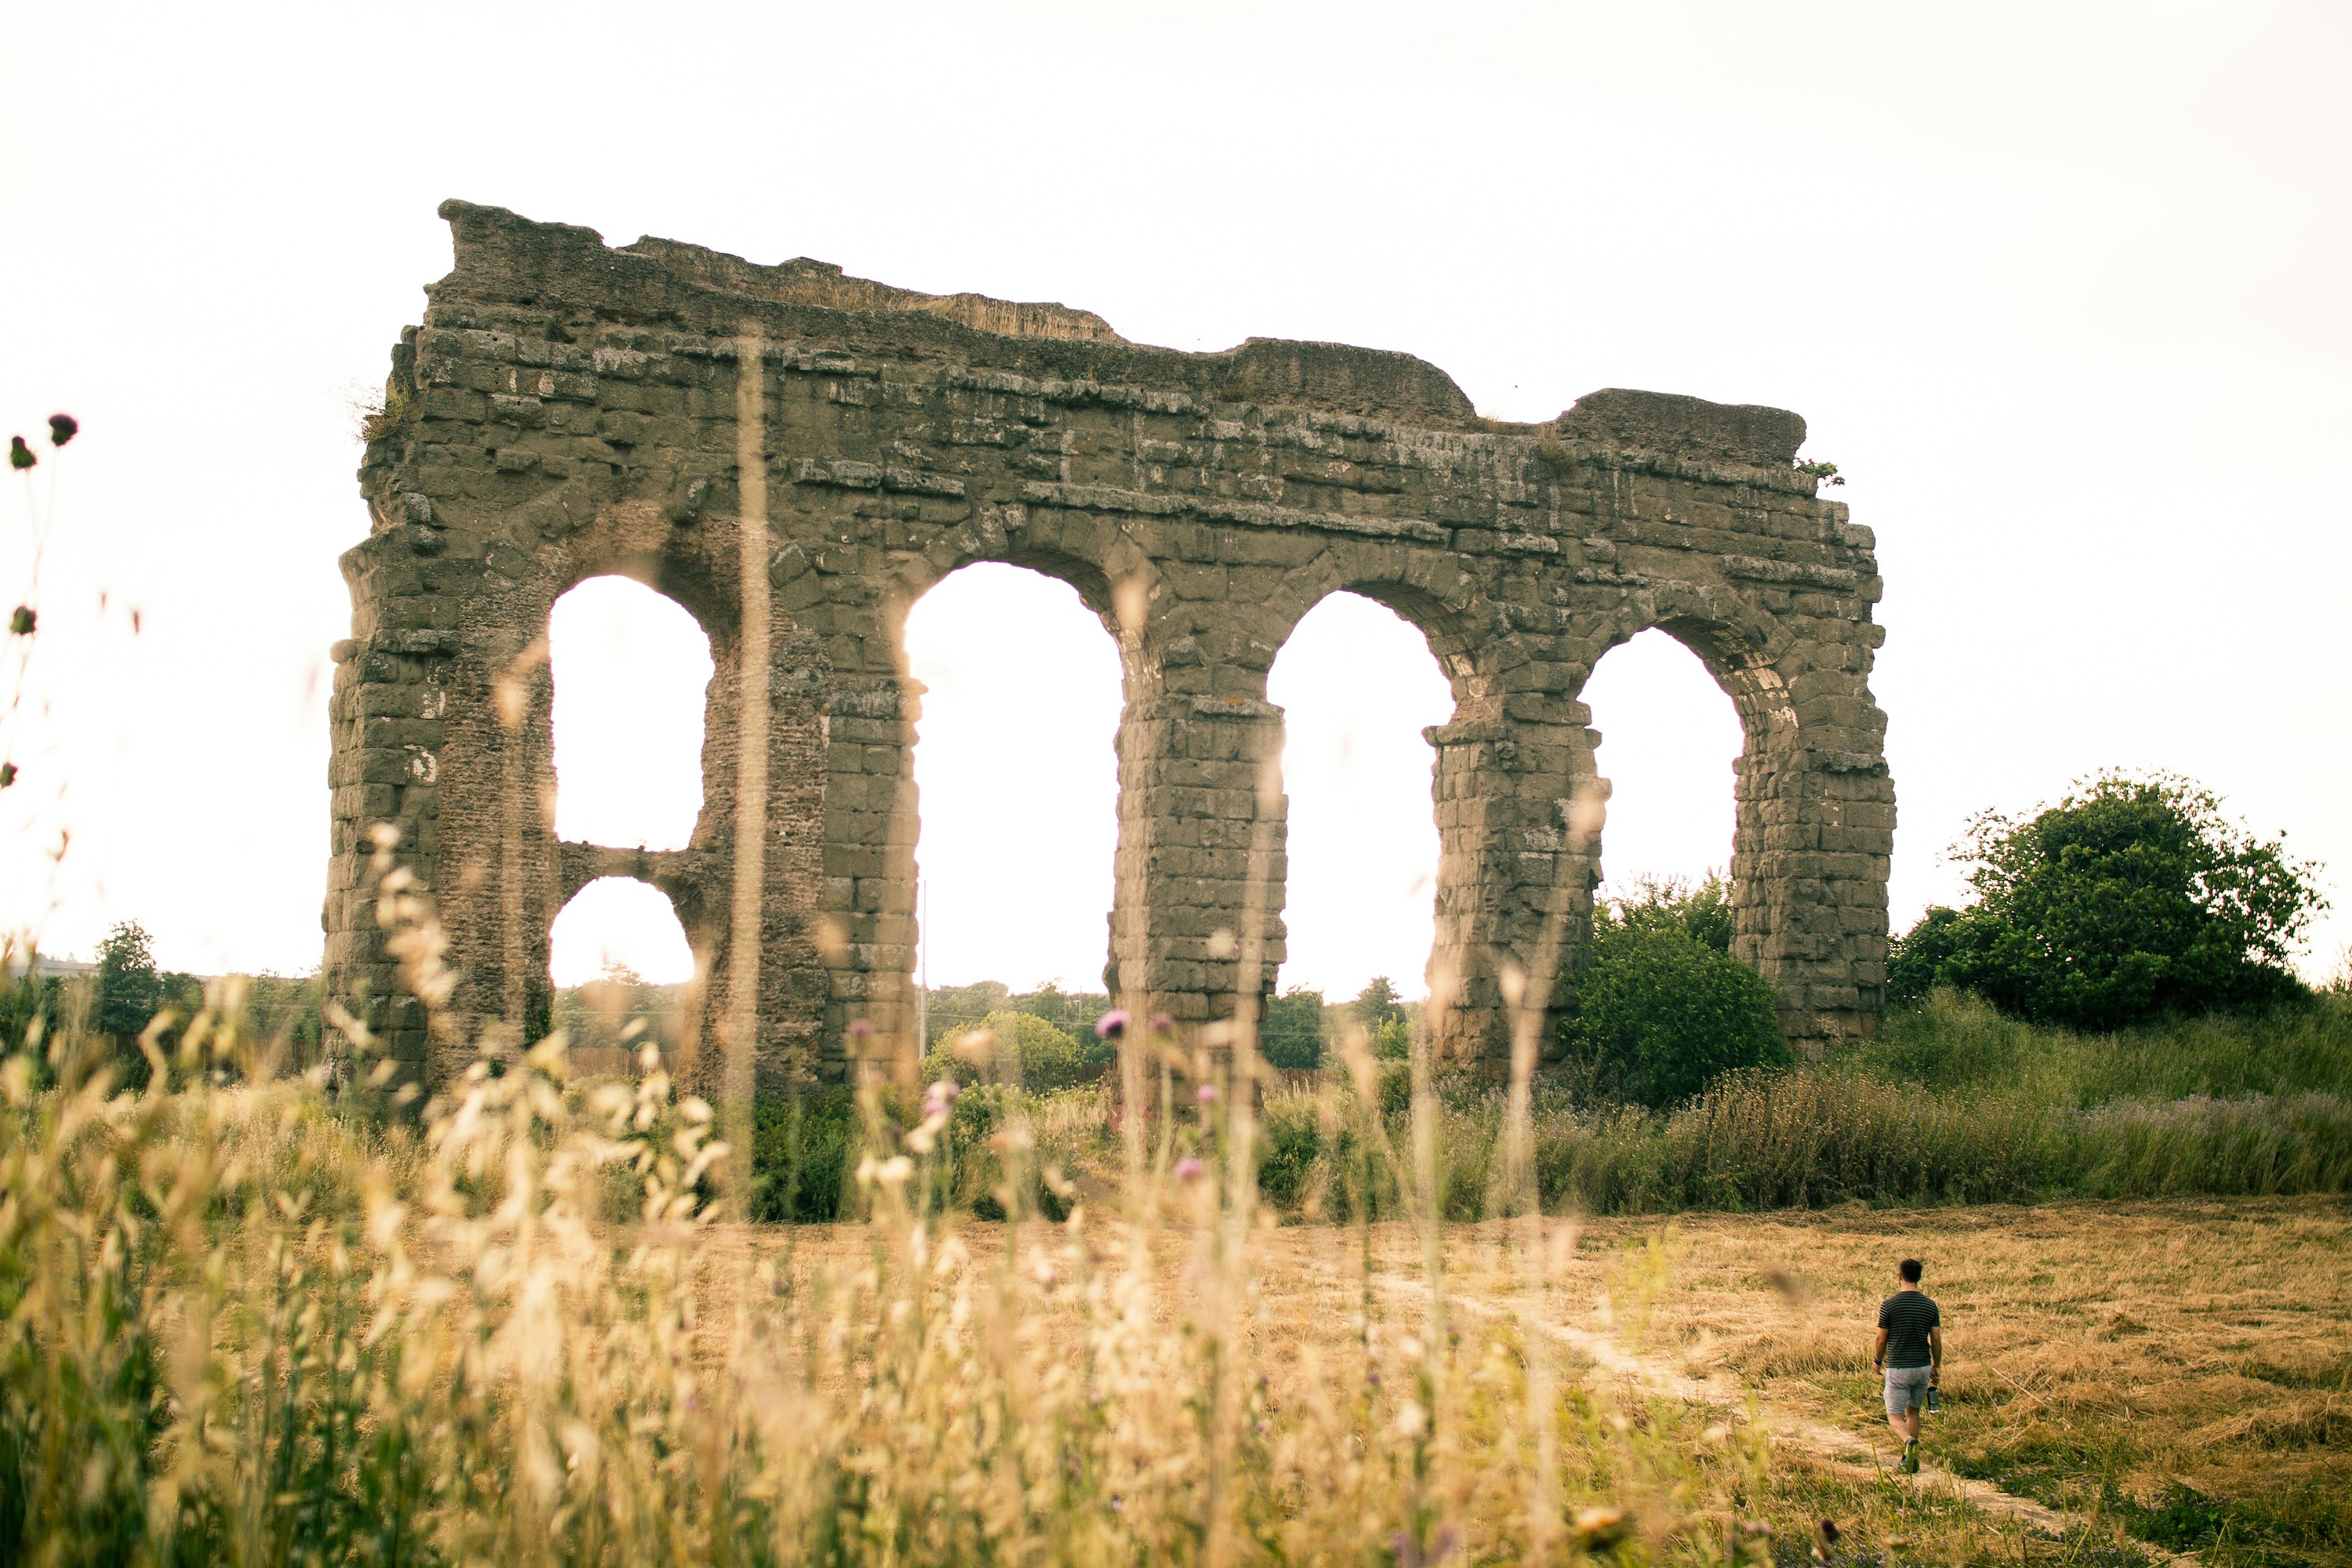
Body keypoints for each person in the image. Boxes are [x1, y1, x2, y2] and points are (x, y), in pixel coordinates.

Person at [1872, 1256, 1942, 1474]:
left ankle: (1909, 1442)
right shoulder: (1930, 1305)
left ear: (1899, 1276)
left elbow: (1881, 1338)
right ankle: (1909, 1460)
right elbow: (1936, 1340)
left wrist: (1877, 1361)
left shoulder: (1889, 1305)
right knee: (1913, 1412)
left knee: (1894, 1416)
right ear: (1919, 1278)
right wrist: (1936, 1366)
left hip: (1898, 1367)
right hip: (1922, 1367)